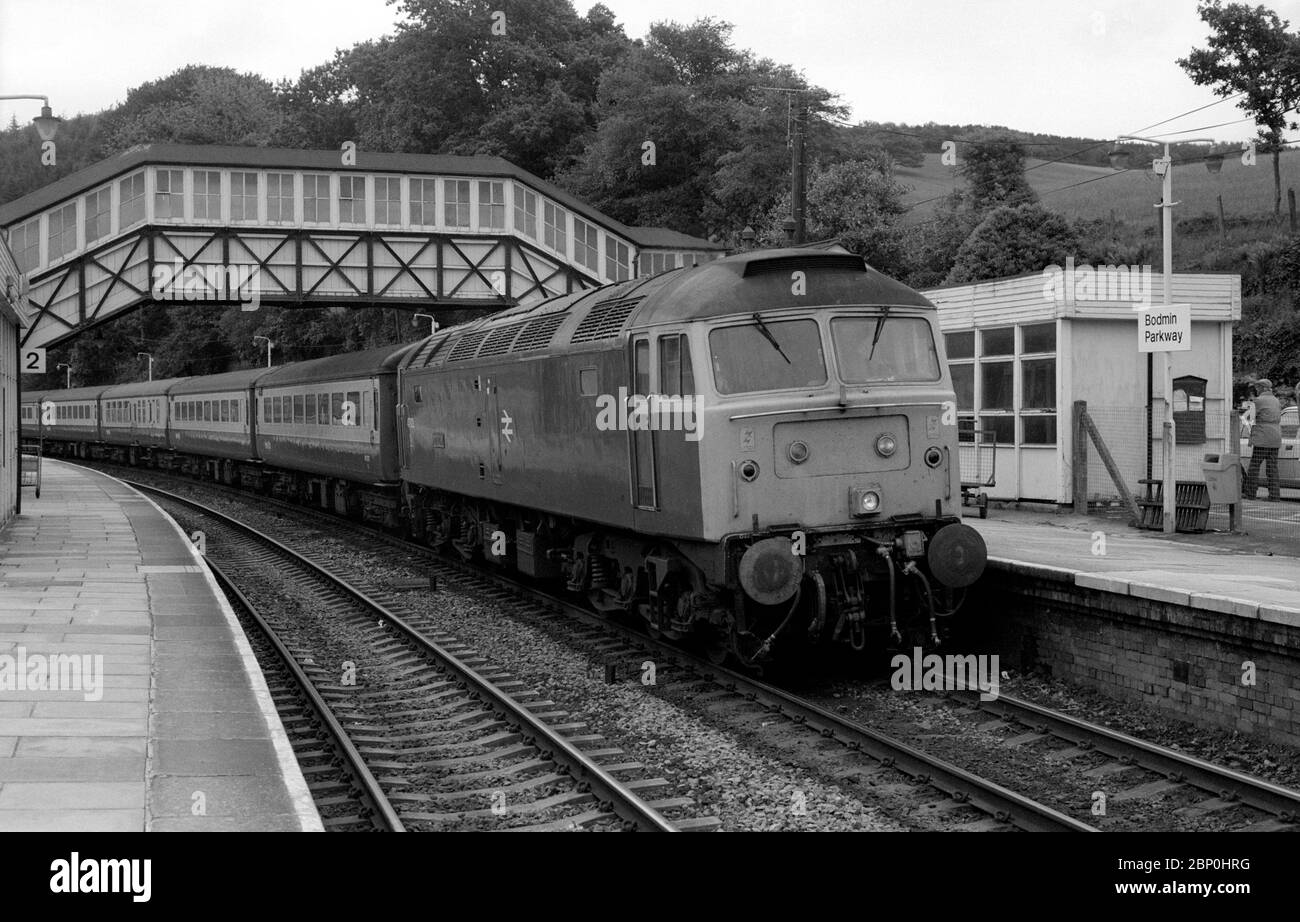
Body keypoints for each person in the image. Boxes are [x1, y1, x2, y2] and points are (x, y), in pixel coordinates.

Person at [1243, 379, 1282, 501]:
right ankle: (1274, 495)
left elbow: (1248, 417)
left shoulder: (1258, 401)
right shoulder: (1276, 401)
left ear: (1262, 388)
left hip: (1262, 437)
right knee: (1272, 467)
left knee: (1254, 466)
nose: (1256, 390)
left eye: (1257, 387)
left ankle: (1251, 493)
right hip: (1275, 438)